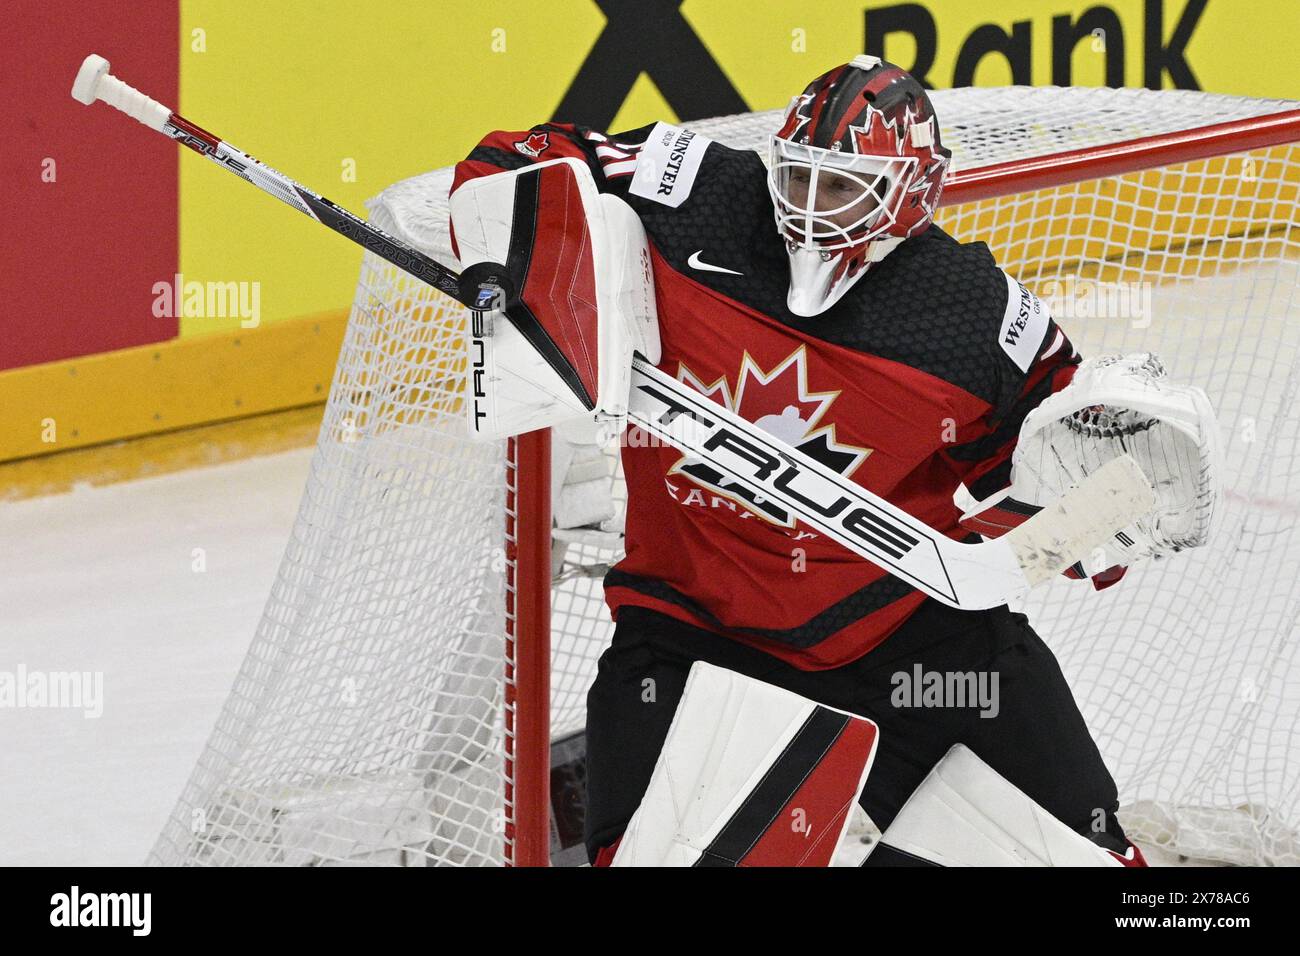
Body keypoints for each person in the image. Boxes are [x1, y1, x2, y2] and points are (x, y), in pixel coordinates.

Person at [451, 55, 1153, 866]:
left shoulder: (976, 318)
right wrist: (517, 252)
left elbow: (1058, 479)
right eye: (799, 178)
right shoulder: (692, 189)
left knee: (1089, 856)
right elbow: (518, 154)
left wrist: (1096, 523)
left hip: (908, 639)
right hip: (693, 631)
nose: (809, 211)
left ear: (910, 195)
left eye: (842, 188)